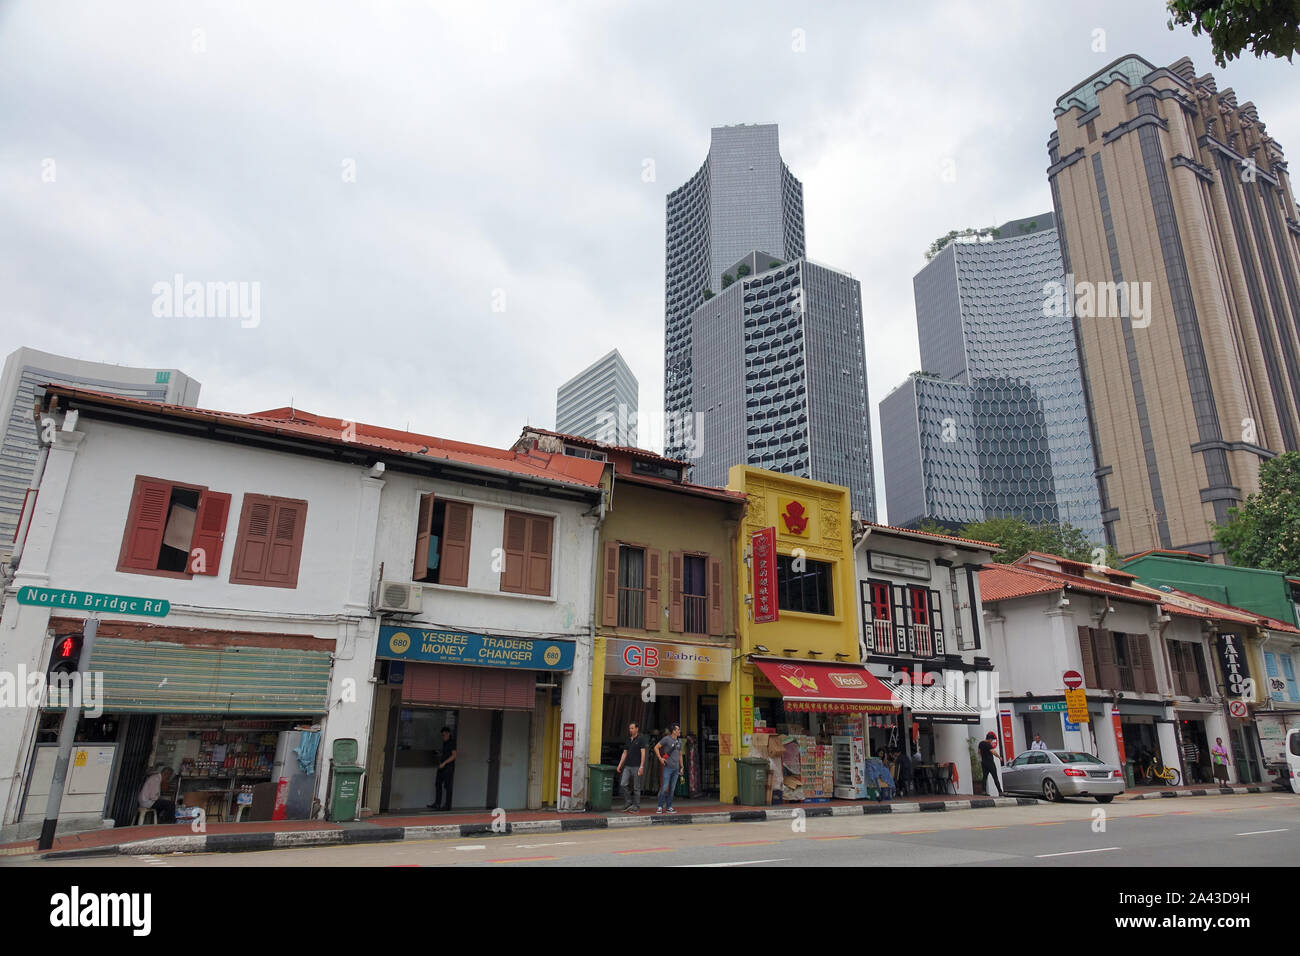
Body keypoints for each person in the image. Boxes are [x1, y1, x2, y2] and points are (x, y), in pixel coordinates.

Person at [615, 721, 646, 813]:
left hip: (637, 766)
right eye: (630, 728)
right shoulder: (628, 740)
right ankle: (628, 802)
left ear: (637, 729)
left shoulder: (641, 739)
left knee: (636, 787)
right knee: (623, 784)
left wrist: (641, 766)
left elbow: (643, 753)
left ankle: (636, 806)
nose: (630, 730)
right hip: (627, 766)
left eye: (632, 728)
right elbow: (624, 753)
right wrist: (620, 765)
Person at [654, 722, 683, 814]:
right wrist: (660, 759)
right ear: (673, 731)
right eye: (678, 729)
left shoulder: (680, 741)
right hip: (668, 767)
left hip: (676, 768)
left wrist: (682, 767)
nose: (679, 731)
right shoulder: (666, 739)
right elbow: (656, 747)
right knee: (664, 787)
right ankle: (660, 806)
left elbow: (680, 754)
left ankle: (669, 806)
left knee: (672, 788)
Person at [427, 726, 457, 810]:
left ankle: (447, 805)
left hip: (448, 767)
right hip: (441, 766)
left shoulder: (451, 743)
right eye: (442, 735)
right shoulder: (444, 743)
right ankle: (437, 803)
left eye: (444, 735)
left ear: (448, 734)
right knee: (438, 784)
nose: (443, 737)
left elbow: (454, 755)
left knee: (448, 786)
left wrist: (444, 763)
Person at [978, 732, 1001, 797]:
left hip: (984, 762)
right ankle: (1000, 791)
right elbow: (993, 752)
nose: (992, 741)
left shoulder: (981, 743)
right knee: (995, 777)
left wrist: (983, 757)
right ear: (990, 739)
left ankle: (984, 791)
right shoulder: (988, 744)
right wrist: (999, 757)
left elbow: (979, 752)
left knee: (984, 777)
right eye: (992, 740)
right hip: (990, 763)